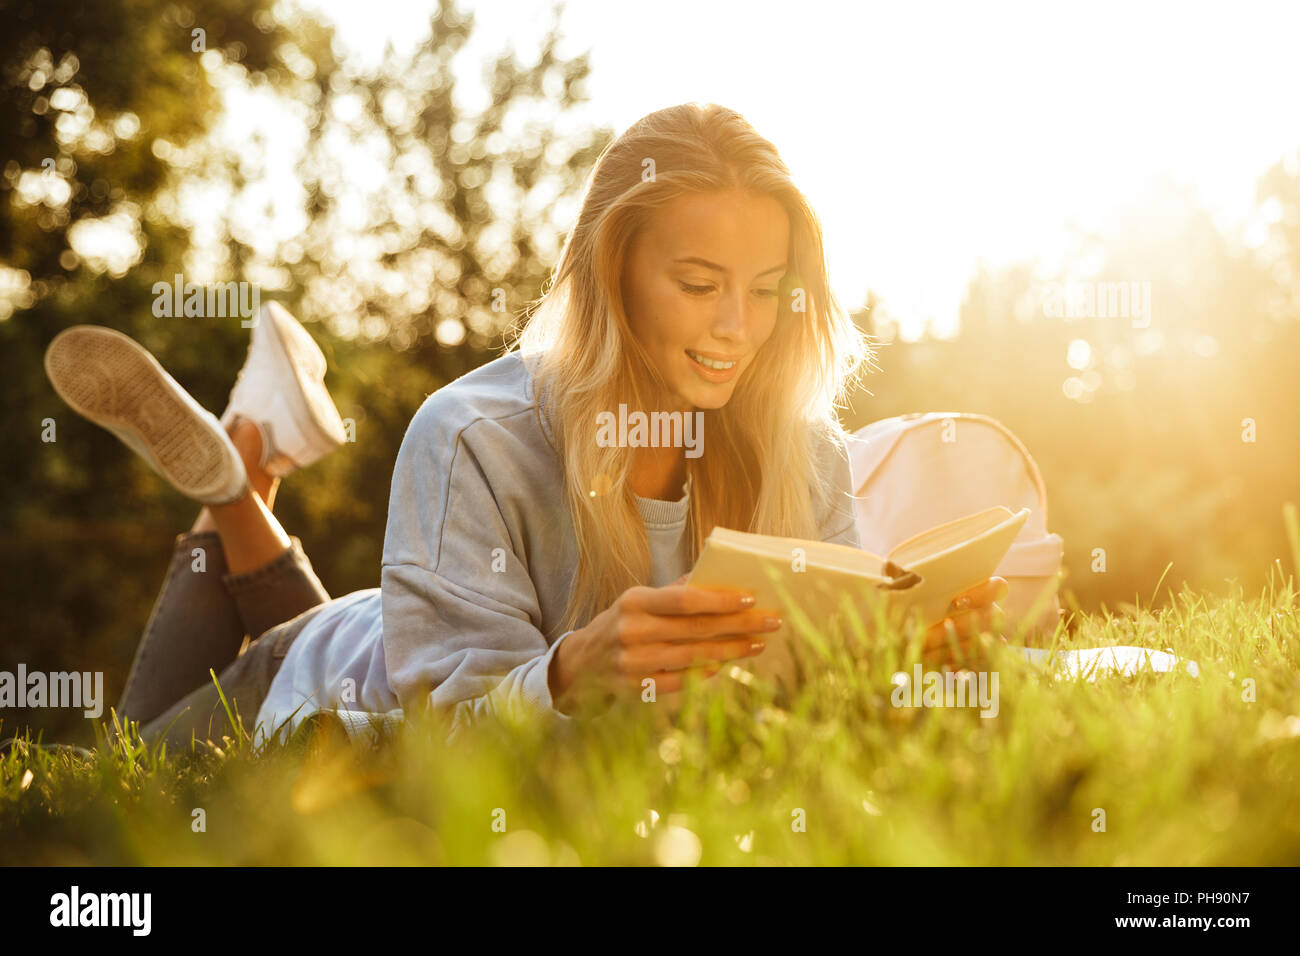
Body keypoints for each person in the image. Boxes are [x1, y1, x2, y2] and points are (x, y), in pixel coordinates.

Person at [42, 103, 1008, 751]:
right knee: (110, 767)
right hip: (322, 679)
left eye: (766, 292)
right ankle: (236, 485)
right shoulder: (474, 436)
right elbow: (441, 734)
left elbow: (790, 695)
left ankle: (248, 462)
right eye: (699, 285)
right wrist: (570, 675)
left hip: (418, 621)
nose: (736, 328)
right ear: (612, 269)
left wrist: (896, 659)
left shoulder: (806, 454)